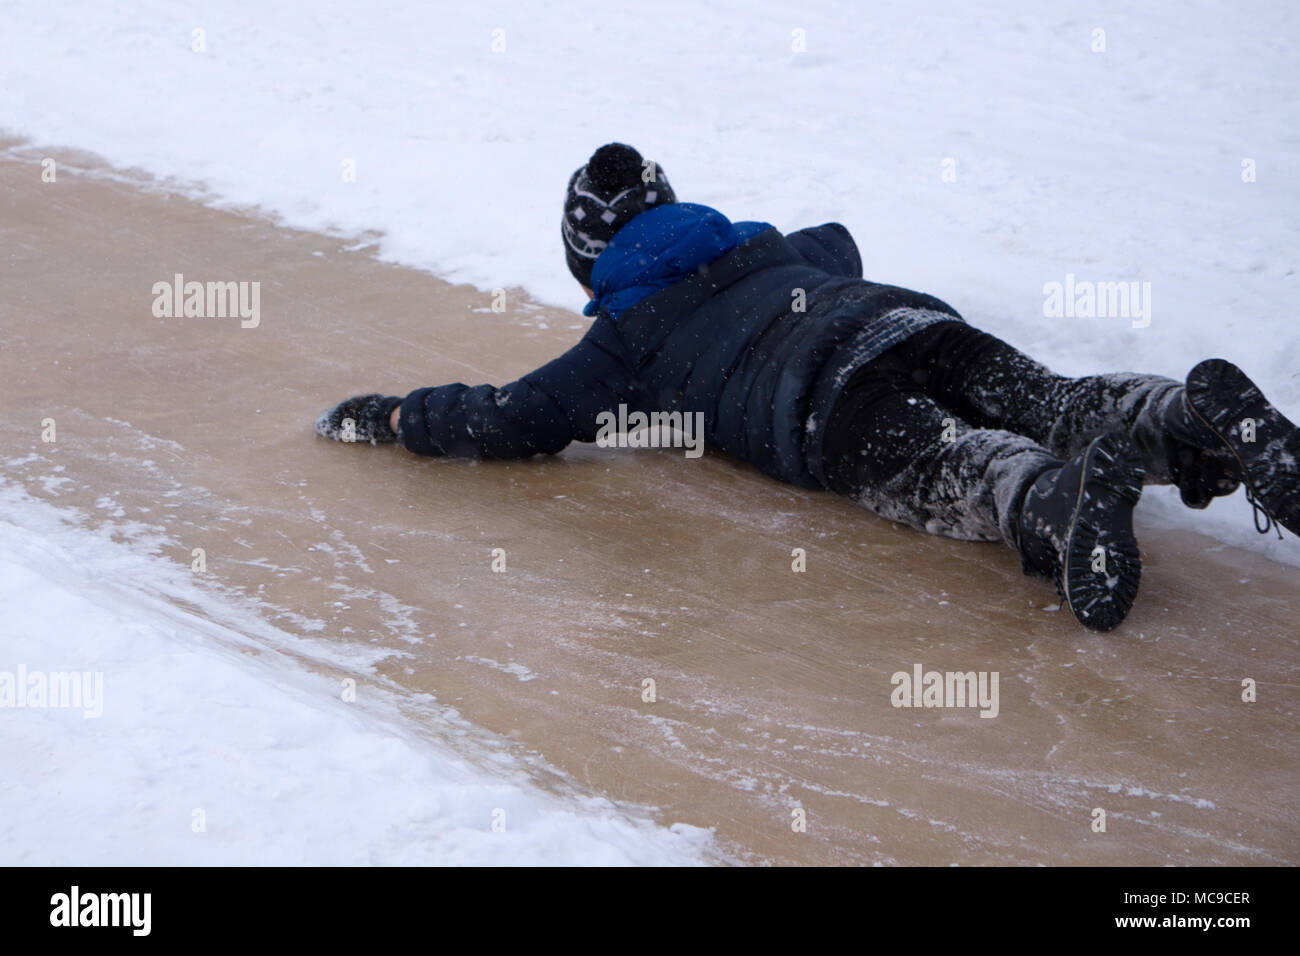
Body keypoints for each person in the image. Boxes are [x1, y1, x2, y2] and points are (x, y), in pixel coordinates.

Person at [316, 143, 1298, 631]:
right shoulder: (769, 243)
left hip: (830, 402)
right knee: (1056, 399)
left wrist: (402, 414)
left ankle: (1062, 503)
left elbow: (515, 419)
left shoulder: (621, 342)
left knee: (960, 464)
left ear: (587, 258)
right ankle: (1191, 415)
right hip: (911, 321)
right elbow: (841, 241)